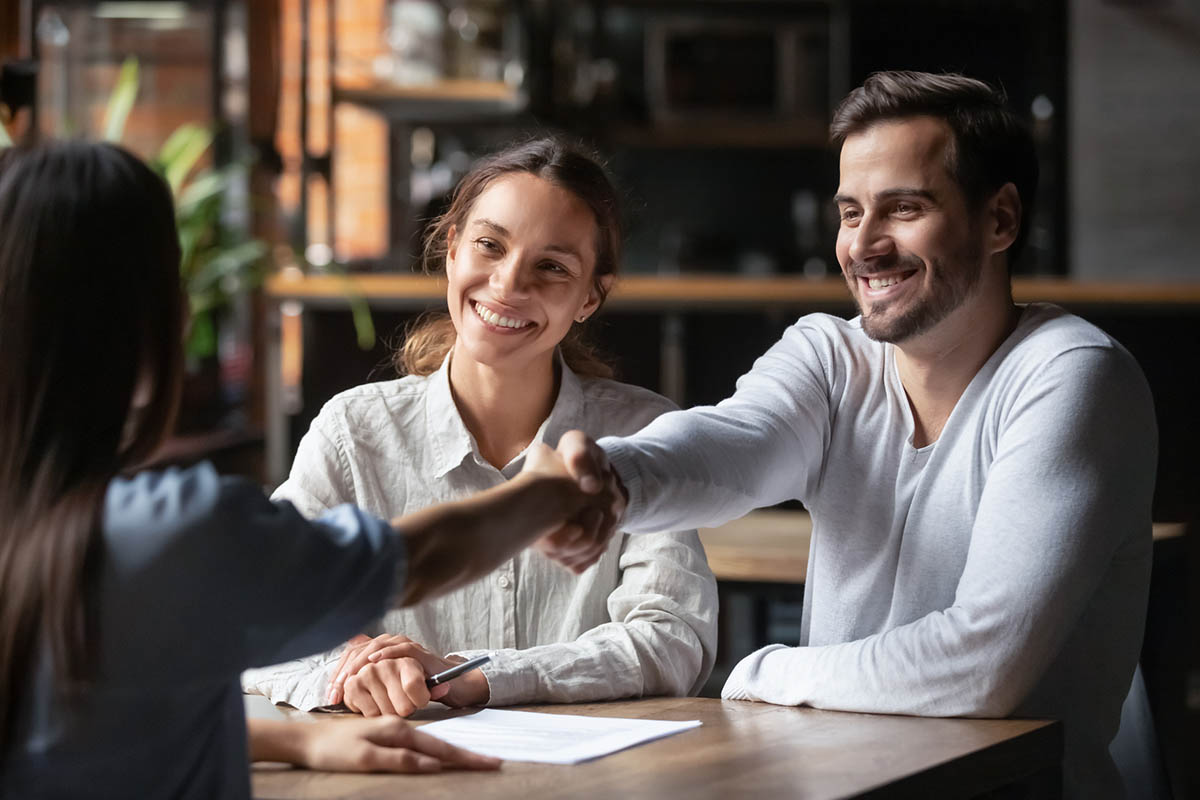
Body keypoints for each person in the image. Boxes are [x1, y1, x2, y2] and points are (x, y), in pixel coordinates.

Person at [554, 71, 1156, 800]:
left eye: (903, 208)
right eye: (849, 213)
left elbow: (982, 665)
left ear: (999, 220)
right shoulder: (829, 355)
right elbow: (733, 445)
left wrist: (762, 673)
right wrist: (610, 481)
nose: (865, 245)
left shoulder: (1071, 375)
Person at [0, 139, 619, 799]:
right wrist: (545, 493)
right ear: (164, 321)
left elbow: (112, 720)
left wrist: (299, 739)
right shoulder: (174, 533)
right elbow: (421, 556)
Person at [242, 137, 718, 717]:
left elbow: (672, 640)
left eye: (551, 267)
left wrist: (473, 675)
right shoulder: (354, 433)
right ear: (451, 250)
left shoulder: (643, 433)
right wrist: (352, 665)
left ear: (591, 296)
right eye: (490, 245)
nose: (509, 284)